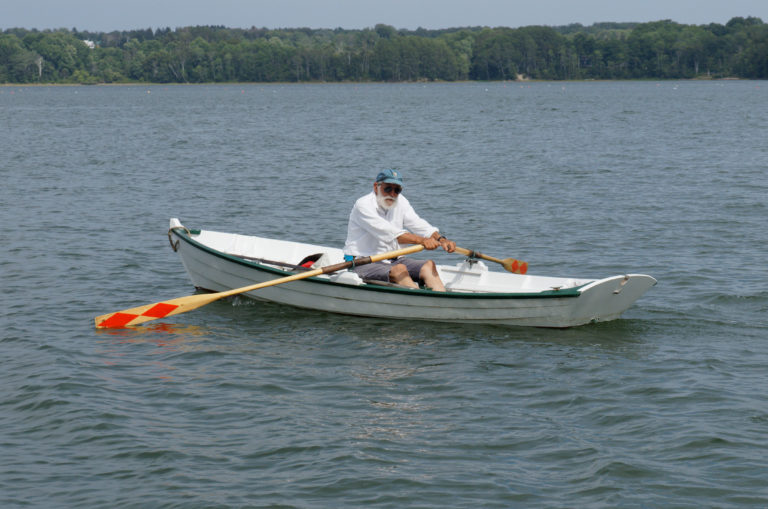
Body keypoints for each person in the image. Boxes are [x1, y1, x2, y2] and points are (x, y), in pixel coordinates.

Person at [344, 169, 456, 291]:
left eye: (397, 190)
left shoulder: (401, 201)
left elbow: (418, 224)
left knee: (428, 265)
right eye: (387, 188)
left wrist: (441, 239)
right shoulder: (363, 205)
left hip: (395, 260)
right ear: (376, 187)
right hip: (363, 262)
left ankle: (440, 298)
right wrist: (423, 241)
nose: (392, 194)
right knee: (399, 270)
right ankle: (423, 301)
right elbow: (391, 233)